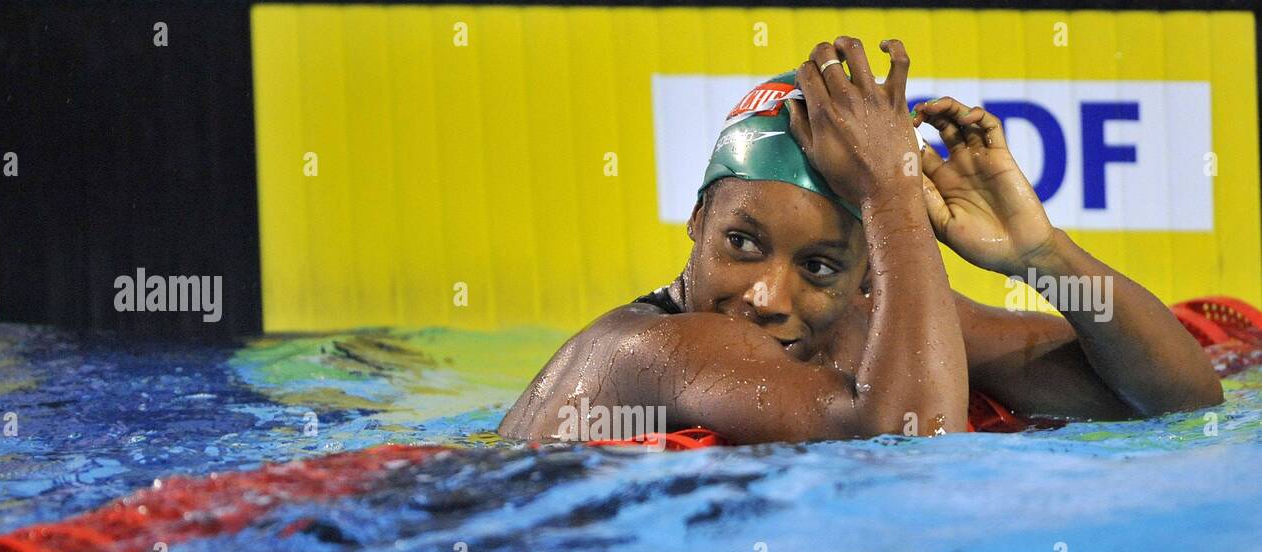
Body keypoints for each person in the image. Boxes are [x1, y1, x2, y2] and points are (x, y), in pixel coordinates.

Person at [500, 37, 1223, 444]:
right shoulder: (656, 349)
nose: (766, 298)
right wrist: (893, 194)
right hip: (462, 529)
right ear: (696, 222)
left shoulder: (868, 321)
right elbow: (916, 452)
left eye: (818, 266)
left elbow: (1179, 399)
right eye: (742, 243)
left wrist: (1042, 256)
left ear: (867, 273)